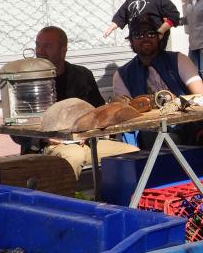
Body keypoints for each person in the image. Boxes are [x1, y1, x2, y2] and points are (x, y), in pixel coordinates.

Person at [12, 27, 137, 175]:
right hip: (49, 145)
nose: (40, 51)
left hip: (88, 142)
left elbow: (99, 113)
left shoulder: (82, 75)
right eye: (38, 45)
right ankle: (62, 197)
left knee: (132, 152)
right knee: (74, 155)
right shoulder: (26, 82)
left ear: (63, 51)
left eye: (47, 46)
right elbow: (15, 128)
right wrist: (44, 140)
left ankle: (126, 197)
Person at [113, 15, 203, 100]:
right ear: (131, 41)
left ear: (158, 37)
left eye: (151, 33)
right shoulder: (122, 75)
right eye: (139, 35)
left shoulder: (179, 60)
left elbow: (202, 96)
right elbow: (125, 112)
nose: (146, 38)